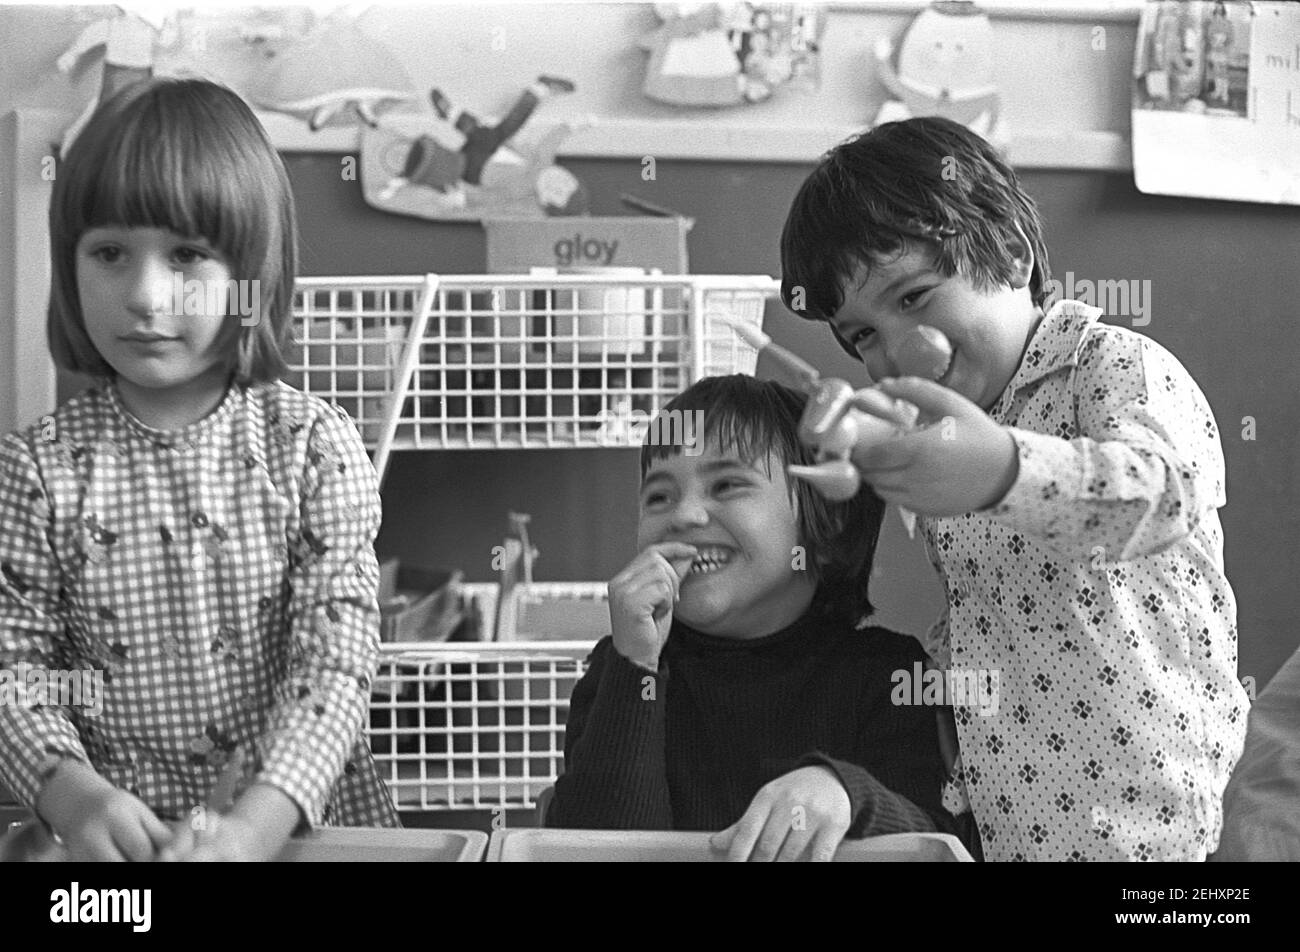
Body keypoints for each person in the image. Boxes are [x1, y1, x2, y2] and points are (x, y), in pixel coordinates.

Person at [779, 116, 1247, 861]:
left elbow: (1163, 498)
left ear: (1012, 254)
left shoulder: (1109, 364)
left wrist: (1003, 469)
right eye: (862, 334)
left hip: (1151, 826)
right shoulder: (936, 427)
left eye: (915, 298)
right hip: (1004, 820)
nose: (897, 351)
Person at [0, 78, 398, 862]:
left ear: (251, 273)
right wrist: (74, 798)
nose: (146, 296)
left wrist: (251, 830)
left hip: (298, 838)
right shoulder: (35, 470)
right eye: (110, 253)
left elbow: (335, 666)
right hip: (121, 854)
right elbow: (18, 671)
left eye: (187, 255)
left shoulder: (313, 447)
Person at [547, 375, 977, 861]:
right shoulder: (619, 666)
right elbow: (587, 850)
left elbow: (941, 841)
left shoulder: (888, 673)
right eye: (658, 496)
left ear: (827, 519)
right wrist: (634, 669)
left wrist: (845, 793)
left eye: (727, 484)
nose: (684, 515)